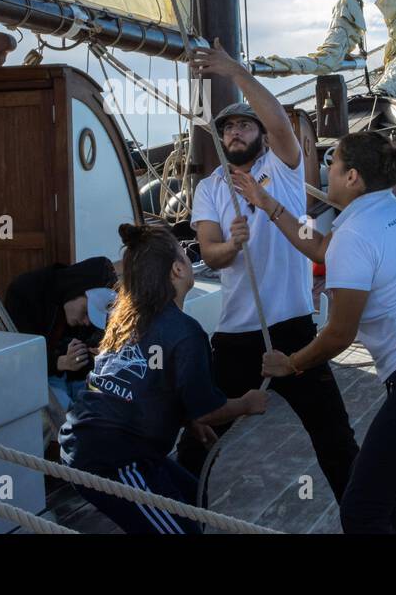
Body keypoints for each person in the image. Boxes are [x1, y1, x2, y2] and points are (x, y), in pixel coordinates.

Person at [233, 130, 396, 534]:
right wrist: (267, 204)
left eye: (332, 165)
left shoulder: (354, 233)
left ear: (352, 177)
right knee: (375, 500)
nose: (327, 172)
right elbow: (319, 249)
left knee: (361, 508)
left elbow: (339, 334)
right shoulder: (385, 209)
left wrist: (290, 365)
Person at [175, 38, 358, 503]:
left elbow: (278, 120)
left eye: (243, 125)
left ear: (258, 133)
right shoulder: (211, 188)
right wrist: (229, 247)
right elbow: (211, 254)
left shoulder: (283, 168)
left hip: (294, 328)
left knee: (335, 441)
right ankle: (177, 516)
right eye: (228, 127)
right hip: (237, 334)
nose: (235, 132)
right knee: (199, 436)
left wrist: (233, 70)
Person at [59, 223, 269, 534]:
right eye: (185, 255)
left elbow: (146, 385)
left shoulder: (124, 316)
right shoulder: (185, 332)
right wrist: (247, 403)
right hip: (110, 457)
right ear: (177, 270)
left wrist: (190, 419)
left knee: (191, 499)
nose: (187, 258)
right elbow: (209, 411)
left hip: (87, 438)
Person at [4, 256, 118, 411]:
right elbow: (19, 358)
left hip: (73, 377)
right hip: (38, 377)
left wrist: (93, 354)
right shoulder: (25, 293)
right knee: (61, 409)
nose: (86, 322)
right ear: (76, 290)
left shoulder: (78, 309)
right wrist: (61, 362)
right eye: (85, 312)